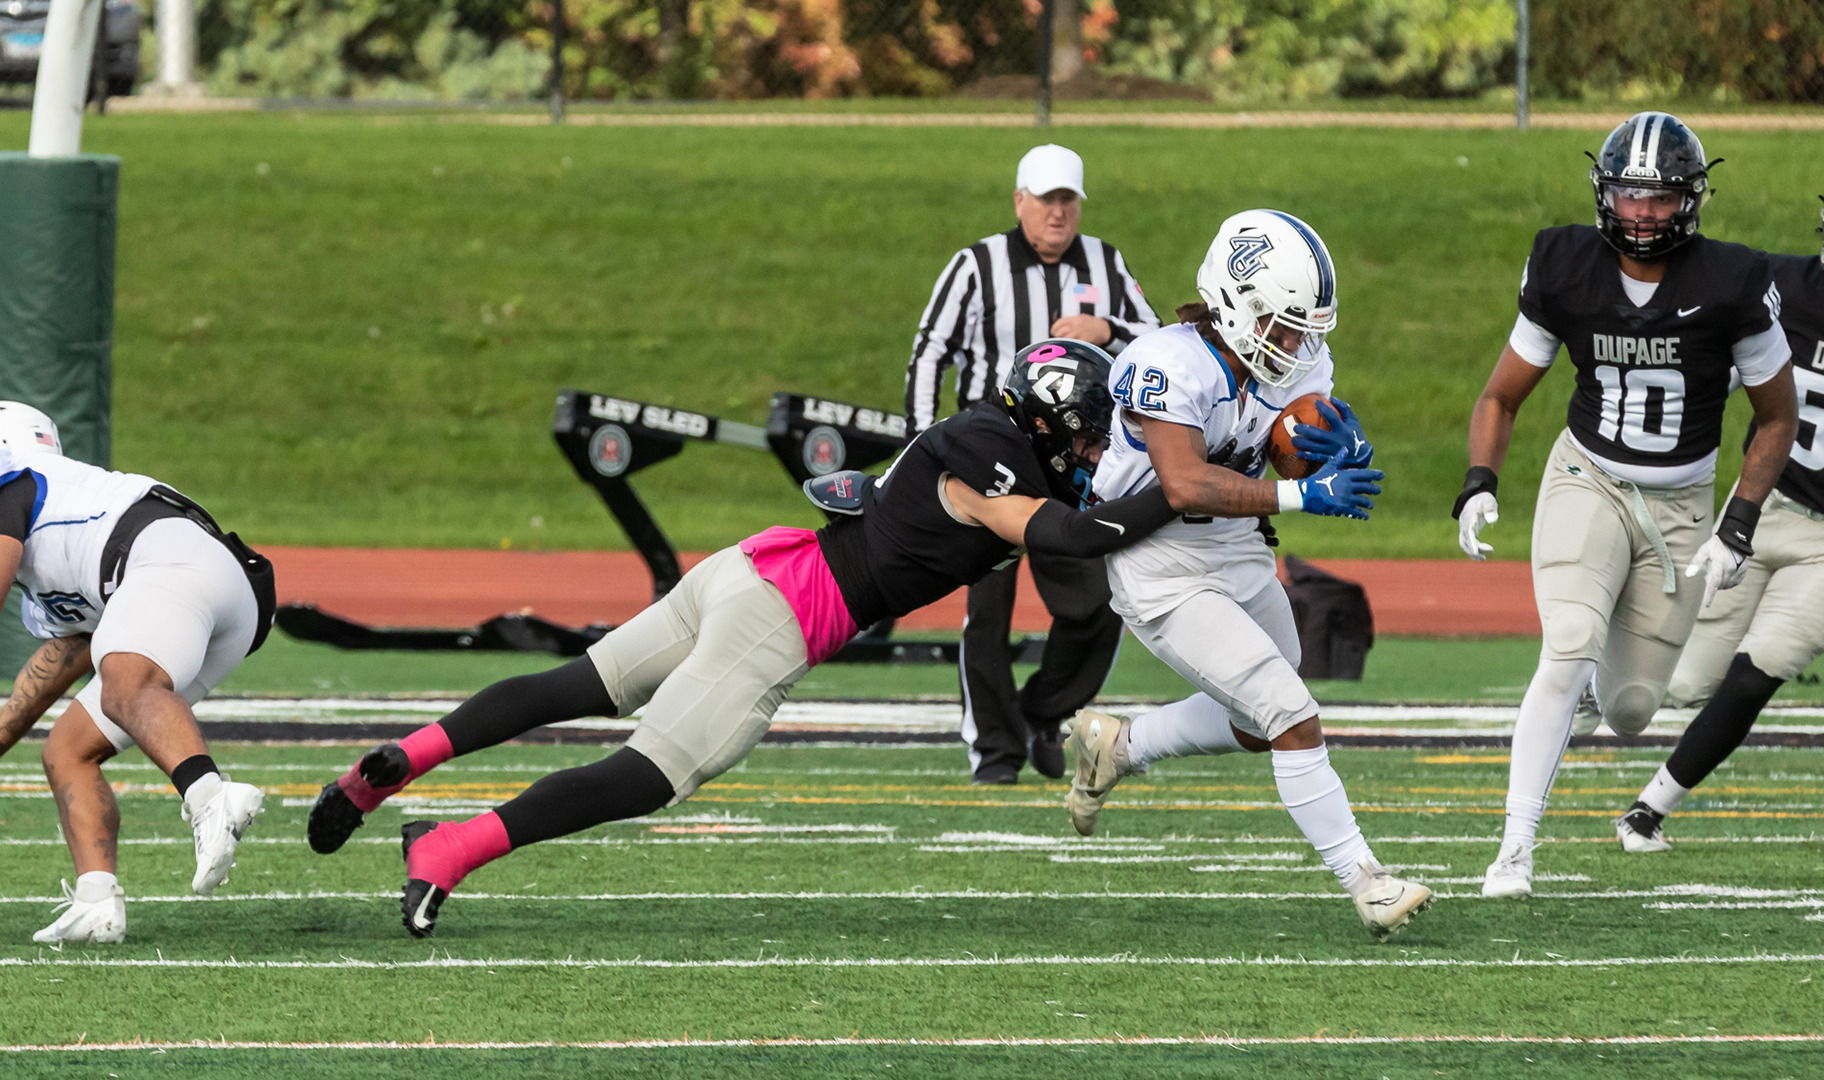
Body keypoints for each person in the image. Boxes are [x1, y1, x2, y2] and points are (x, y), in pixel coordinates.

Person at [306, 340, 1184, 938]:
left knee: (583, 682)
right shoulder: (994, 454)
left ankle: (400, 761)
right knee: (647, 774)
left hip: (750, 566)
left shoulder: (991, 434)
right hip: (786, 614)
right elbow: (1066, 536)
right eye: (1092, 423)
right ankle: (450, 846)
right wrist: (1179, 490)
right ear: (1048, 415)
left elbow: (1070, 507)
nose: (1099, 440)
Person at [1453, 111, 1800, 899]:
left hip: (1682, 504)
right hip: (1589, 478)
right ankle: (1514, 849)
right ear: (1604, 193)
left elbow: (1778, 417)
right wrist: (1480, 479)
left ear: (1693, 200)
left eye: (1661, 198)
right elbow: (1502, 396)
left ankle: (1585, 694)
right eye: (1630, 195)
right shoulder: (1564, 262)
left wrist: (1736, 525)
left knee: (1635, 708)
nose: (1643, 214)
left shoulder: (1733, 281)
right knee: (1569, 638)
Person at [1063, 209, 1433, 939]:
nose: (1295, 345)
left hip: (1234, 544)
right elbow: (1182, 485)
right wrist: (1305, 493)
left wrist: (1332, 450)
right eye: (1282, 326)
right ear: (1235, 303)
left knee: (1263, 719)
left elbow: (1293, 441)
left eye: (1304, 329)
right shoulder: (1166, 361)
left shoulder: (1300, 361)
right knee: (1288, 713)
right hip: (1157, 561)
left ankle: (1119, 747)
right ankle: (1367, 882)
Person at [1616, 162, 1824, 851]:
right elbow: (1697, 306)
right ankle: (1592, 676)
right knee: (1686, 679)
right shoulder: (1782, 286)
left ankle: (1647, 810)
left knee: (1762, 665)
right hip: (1763, 507)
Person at [905, 143, 1161, 785]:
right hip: (985, 457)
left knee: (1098, 602)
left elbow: (1160, 341)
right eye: (1046, 199)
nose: (1057, 213)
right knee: (986, 610)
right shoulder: (976, 264)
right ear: (1019, 200)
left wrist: (1107, 328)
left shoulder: (1105, 261)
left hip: (1074, 467)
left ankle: (1040, 711)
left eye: (1067, 200)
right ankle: (996, 751)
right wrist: (922, 442)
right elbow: (930, 352)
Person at [0, 402, 274, 943]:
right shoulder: (62, 519)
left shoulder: (14, 484)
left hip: (168, 557)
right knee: (68, 748)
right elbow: (57, 665)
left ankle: (210, 797)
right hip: (222, 600)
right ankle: (97, 902)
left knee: (126, 685)